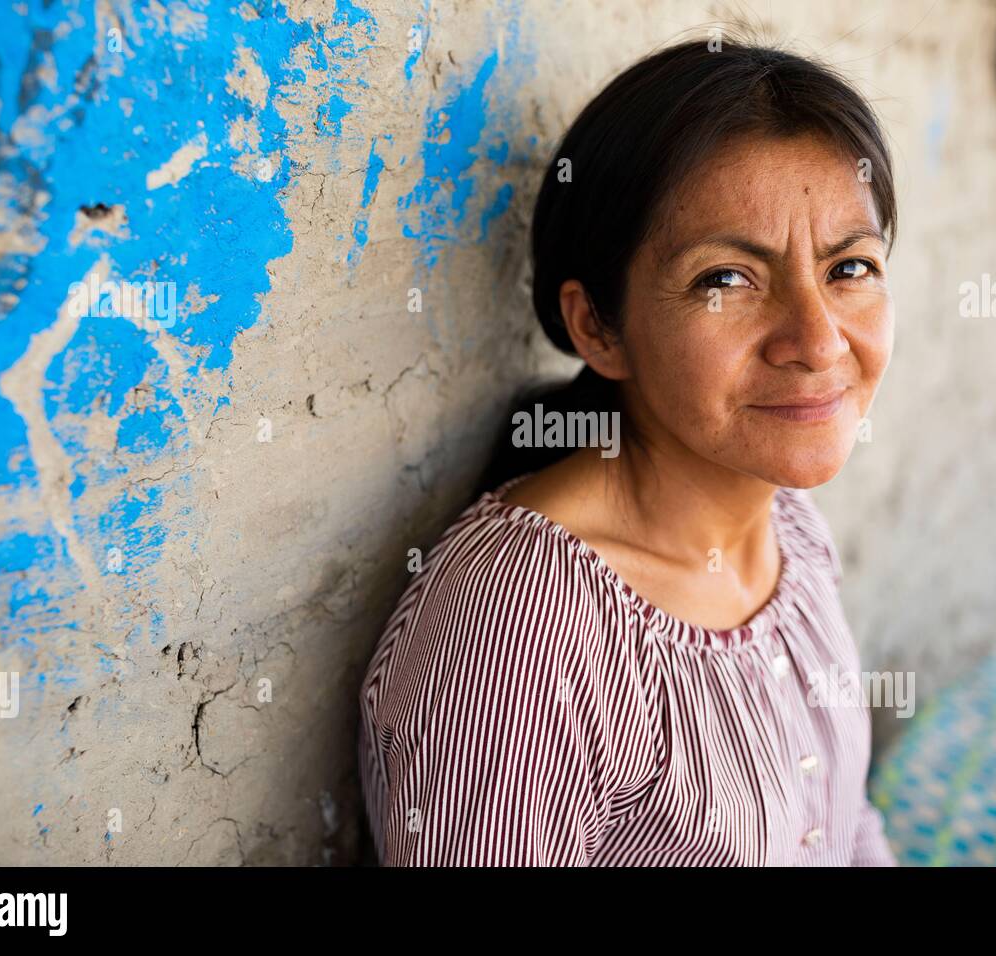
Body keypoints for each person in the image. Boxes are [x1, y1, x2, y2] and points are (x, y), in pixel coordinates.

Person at [358, 35, 899, 866]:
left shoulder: (788, 523)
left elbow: (848, 827)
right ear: (597, 328)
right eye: (726, 279)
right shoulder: (521, 639)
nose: (819, 340)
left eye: (850, 267)